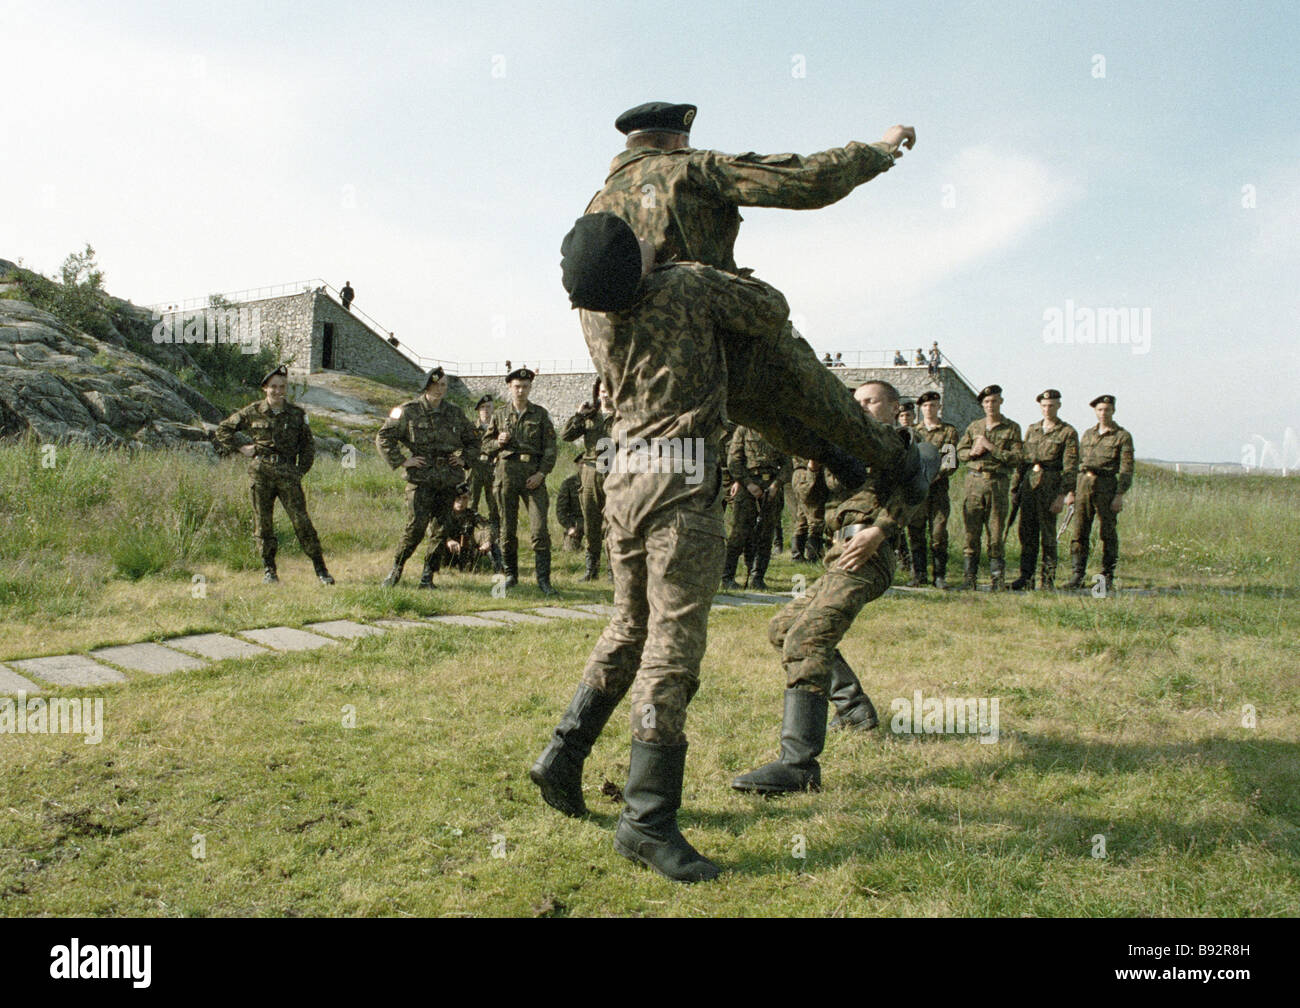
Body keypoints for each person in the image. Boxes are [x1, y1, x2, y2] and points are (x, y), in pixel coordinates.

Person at [533, 213, 791, 883]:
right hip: (679, 482)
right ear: (639, 262)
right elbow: (772, 310)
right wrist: (701, 268)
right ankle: (646, 820)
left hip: (624, 477)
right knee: (671, 651)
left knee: (627, 625)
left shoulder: (592, 310)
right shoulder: (688, 287)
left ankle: (564, 754)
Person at [583, 100, 918, 487]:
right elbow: (805, 179)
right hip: (722, 330)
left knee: (760, 411)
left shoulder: (597, 207)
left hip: (656, 368)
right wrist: (880, 150)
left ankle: (831, 456)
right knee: (818, 393)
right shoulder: (687, 167)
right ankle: (902, 463)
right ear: (677, 139)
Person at [732, 379, 938, 794]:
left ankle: (799, 764)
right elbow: (811, 507)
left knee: (806, 641)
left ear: (894, 405)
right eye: (856, 401)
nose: (862, 406)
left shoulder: (909, 444)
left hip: (869, 555)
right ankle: (854, 710)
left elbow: (917, 486)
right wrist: (814, 467)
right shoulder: (846, 452)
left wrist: (879, 531)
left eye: (871, 400)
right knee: (784, 630)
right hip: (838, 553)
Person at [215, 365, 334, 585]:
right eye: (274, 387)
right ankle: (269, 570)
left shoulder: (297, 414)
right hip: (261, 474)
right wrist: (242, 448)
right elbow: (223, 430)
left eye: (282, 387)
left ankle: (321, 569)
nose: (278, 391)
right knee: (263, 523)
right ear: (265, 389)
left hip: (288, 474)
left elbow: (308, 446)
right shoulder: (252, 411)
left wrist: (299, 471)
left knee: (302, 523)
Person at [375, 366, 478, 588]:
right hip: (421, 478)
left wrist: (464, 459)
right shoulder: (408, 410)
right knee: (416, 527)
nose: (440, 390)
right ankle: (396, 569)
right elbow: (384, 436)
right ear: (426, 386)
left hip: (447, 479)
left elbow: (474, 440)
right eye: (435, 385)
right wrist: (402, 460)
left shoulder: (455, 413)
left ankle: (427, 576)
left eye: (444, 386)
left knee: (441, 530)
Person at [482, 367, 558, 595]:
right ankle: (510, 575)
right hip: (506, 473)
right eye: (517, 386)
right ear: (509, 387)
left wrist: (542, 473)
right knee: (507, 528)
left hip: (533, 475)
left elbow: (551, 448)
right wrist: (498, 442)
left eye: (525, 386)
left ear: (530, 387)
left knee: (540, 529)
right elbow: (485, 446)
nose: (521, 390)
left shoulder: (540, 414)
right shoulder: (500, 415)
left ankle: (544, 580)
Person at [956, 385, 1024, 591]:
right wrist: (973, 452)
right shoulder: (974, 426)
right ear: (982, 405)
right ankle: (970, 579)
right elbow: (960, 452)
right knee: (971, 532)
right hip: (974, 483)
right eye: (986, 402)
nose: (990, 405)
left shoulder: (1011, 428)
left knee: (995, 533)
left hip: (997, 483)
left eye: (994, 401)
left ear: (1001, 402)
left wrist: (991, 448)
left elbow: (1018, 458)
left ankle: (997, 580)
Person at [1010, 389, 1079, 590]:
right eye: (1044, 405)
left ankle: (1047, 580)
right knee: (1027, 533)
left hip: (1051, 486)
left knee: (1048, 536)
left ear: (1058, 406)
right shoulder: (1032, 429)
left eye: (1051, 405)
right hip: (1030, 487)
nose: (1047, 409)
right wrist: (1015, 488)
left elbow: (1071, 466)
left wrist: (1062, 495)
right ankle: (1026, 578)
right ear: (1040, 407)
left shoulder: (1067, 432)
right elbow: (1023, 462)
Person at [1065, 395, 1134, 590]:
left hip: (1107, 486)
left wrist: (1120, 494)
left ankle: (1106, 577)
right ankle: (1077, 575)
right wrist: (1071, 490)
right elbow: (1075, 463)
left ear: (1113, 411)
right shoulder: (1088, 434)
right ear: (1095, 412)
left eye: (1107, 410)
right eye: (1100, 410)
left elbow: (1127, 468)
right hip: (1084, 484)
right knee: (1079, 531)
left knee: (1108, 533)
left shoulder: (1122, 436)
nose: (1103, 413)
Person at [722, 426, 790, 591]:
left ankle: (757, 578)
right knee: (739, 533)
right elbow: (734, 461)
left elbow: (788, 463)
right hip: (748, 484)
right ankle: (727, 577)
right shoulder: (743, 430)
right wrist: (748, 484)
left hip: (771, 485)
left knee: (766, 534)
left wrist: (776, 484)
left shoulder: (777, 429)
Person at [561, 382, 615, 580]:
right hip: (591, 472)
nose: (605, 395)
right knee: (591, 522)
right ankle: (591, 570)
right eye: (602, 392)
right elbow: (566, 436)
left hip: (615, 472)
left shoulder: (623, 417)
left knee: (614, 523)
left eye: (609, 391)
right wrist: (579, 416)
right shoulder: (591, 416)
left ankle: (613, 571)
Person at [913, 390, 959, 588]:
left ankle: (939, 575)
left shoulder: (949, 431)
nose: (929, 409)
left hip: (938, 488)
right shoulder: (914, 432)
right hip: (917, 489)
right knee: (915, 530)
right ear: (921, 409)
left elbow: (950, 460)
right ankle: (919, 574)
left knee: (938, 532)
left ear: (939, 407)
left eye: (932, 405)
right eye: (925, 406)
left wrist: (933, 476)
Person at [468, 394, 504, 573]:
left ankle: (494, 543)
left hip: (492, 469)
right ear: (478, 411)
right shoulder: (471, 428)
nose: (486, 411)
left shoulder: (498, 428)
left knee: (495, 507)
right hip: (474, 469)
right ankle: (469, 543)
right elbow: (463, 446)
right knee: (470, 505)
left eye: (489, 407)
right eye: (483, 408)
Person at [428, 482, 495, 574]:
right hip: (446, 551)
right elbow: (431, 529)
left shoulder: (471, 514)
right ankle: (433, 568)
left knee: (487, 537)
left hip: (464, 551)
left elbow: (486, 526)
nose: (461, 502)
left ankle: (499, 568)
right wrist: (448, 540)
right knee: (438, 540)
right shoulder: (443, 514)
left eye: (464, 498)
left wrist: (487, 541)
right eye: (458, 498)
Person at [790, 456, 828, 563]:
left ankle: (797, 555)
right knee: (815, 517)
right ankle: (813, 556)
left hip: (799, 474)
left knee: (802, 516)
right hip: (810, 473)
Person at [556, 470, 583, 552]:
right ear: (577, 464)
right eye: (582, 463)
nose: (585, 466)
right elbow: (561, 510)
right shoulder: (569, 483)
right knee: (570, 550)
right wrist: (569, 527)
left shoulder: (601, 479)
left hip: (597, 520)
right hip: (577, 522)